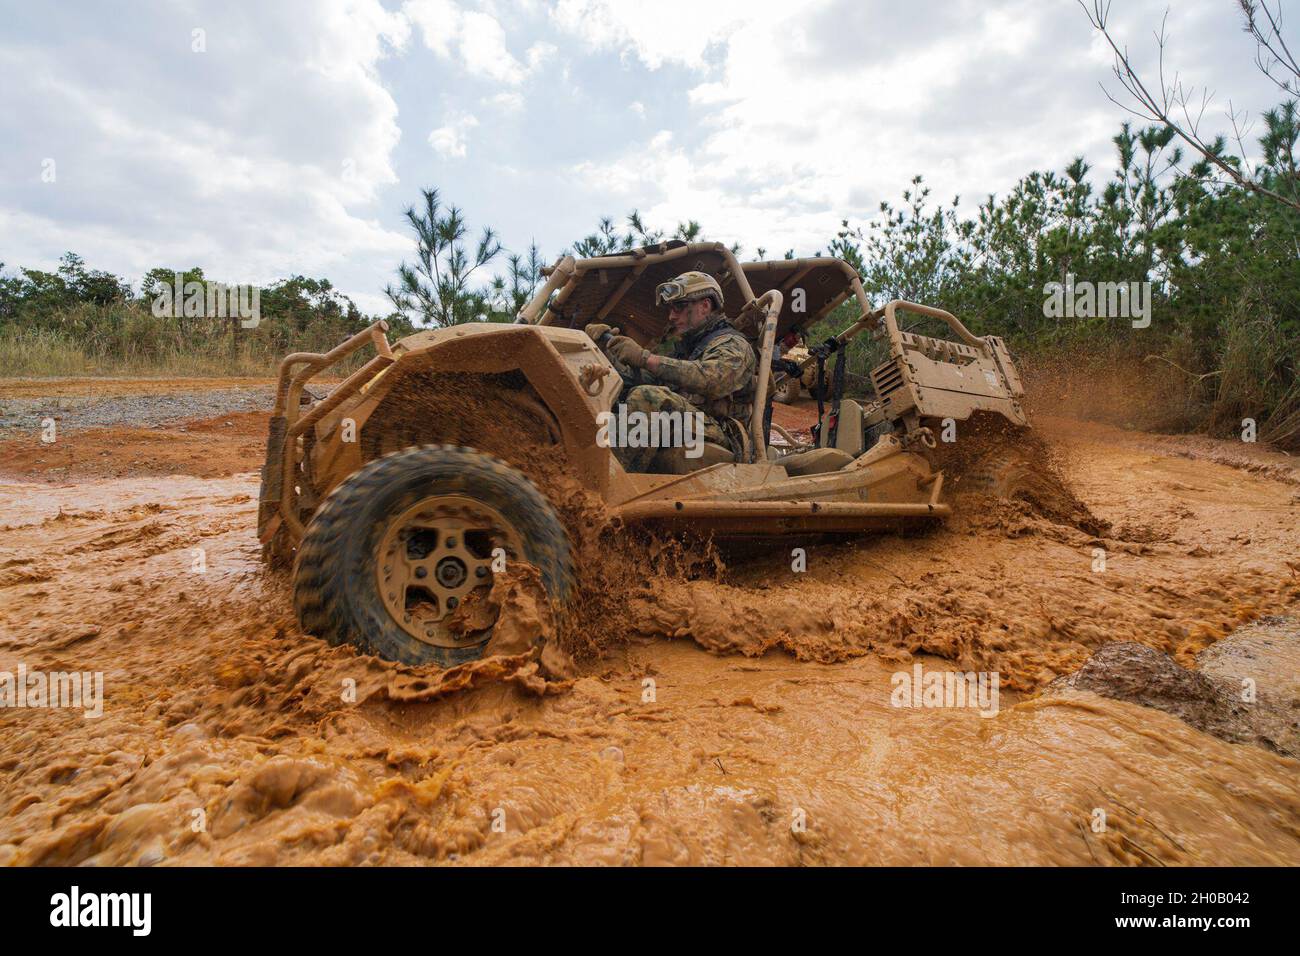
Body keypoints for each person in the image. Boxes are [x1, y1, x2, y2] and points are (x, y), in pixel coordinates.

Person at [585, 270, 756, 472]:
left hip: (721, 432)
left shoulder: (732, 343)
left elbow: (713, 380)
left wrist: (645, 358)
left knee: (649, 398)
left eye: (680, 307)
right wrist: (607, 352)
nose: (672, 316)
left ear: (705, 306)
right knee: (616, 394)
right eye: (672, 309)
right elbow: (644, 379)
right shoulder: (686, 345)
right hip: (689, 422)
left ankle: (607, 479)